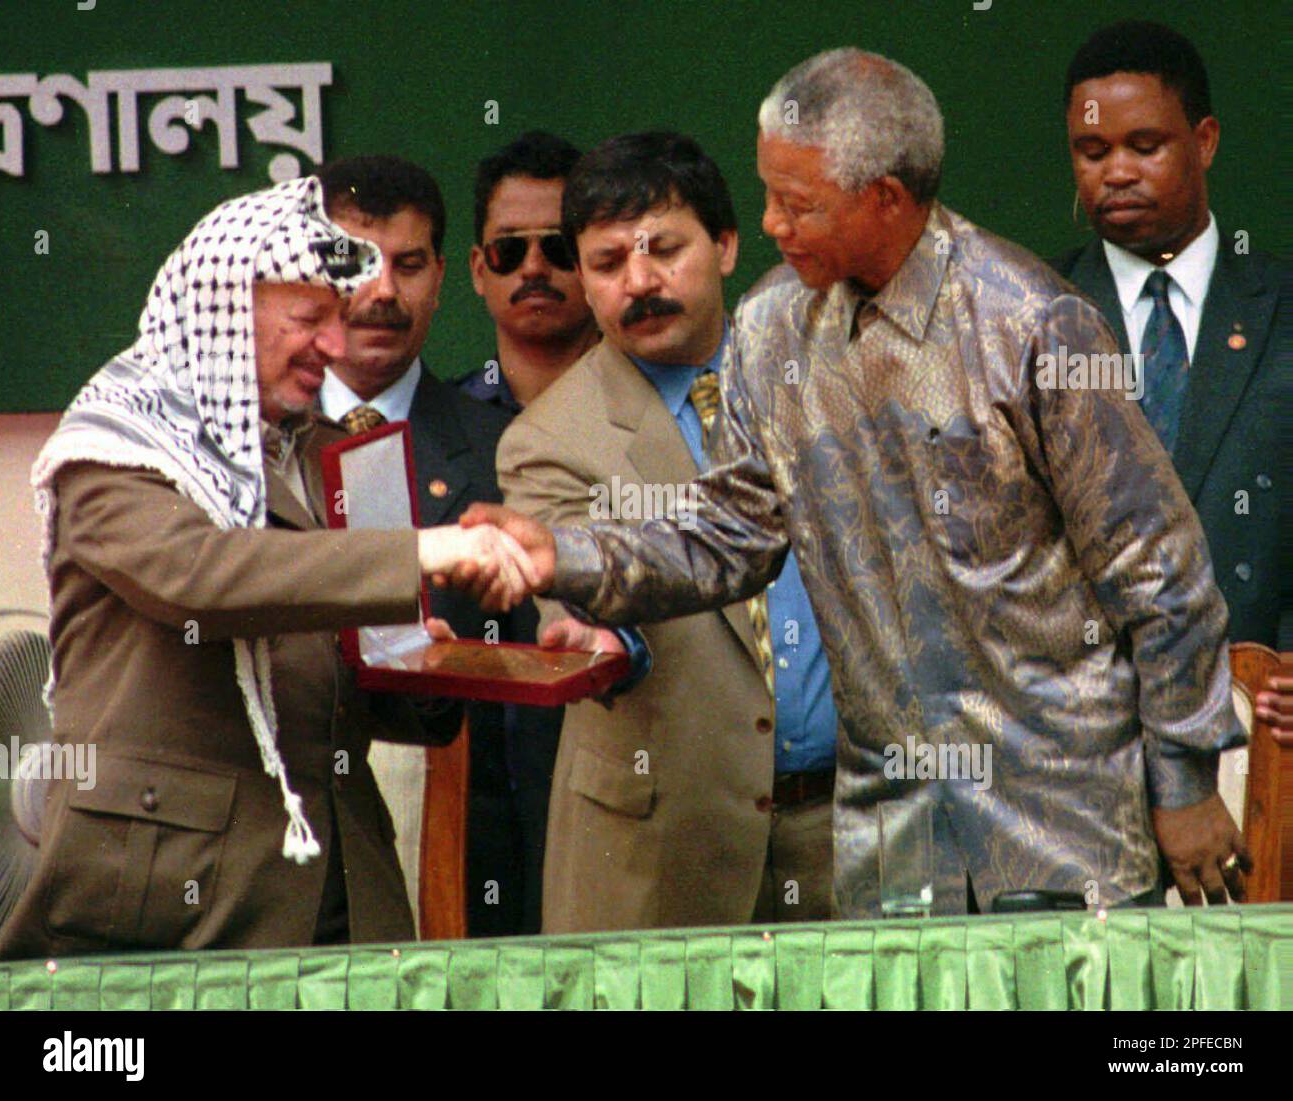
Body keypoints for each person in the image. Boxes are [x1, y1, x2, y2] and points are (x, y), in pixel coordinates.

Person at [459, 49, 1252, 915]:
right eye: (766, 194)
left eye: (798, 204)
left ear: (886, 198)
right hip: (888, 847)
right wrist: (562, 554)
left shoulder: (1033, 322)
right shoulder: (770, 331)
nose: (768, 223)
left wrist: (1184, 780)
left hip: (1059, 827)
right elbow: (727, 536)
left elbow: (1157, 565)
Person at [0, 178, 530, 960]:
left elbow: (341, 651)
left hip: (344, 878)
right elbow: (201, 578)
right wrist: (421, 550)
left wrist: (418, 661)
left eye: (338, 321)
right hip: (179, 894)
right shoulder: (114, 445)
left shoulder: (322, 448)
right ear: (222, 308)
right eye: (310, 319)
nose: (337, 347)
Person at [497, 132, 838, 932]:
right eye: (608, 263)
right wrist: (602, 638)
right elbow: (578, 585)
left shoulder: (822, 372)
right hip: (659, 855)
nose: (639, 282)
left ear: (724, 245)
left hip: (847, 830)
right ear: (581, 278)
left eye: (663, 250)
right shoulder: (549, 436)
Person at [316, 154, 561, 936]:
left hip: (469, 887)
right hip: (284, 872)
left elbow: (537, 730)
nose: (382, 291)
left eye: (409, 264)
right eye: (354, 262)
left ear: (446, 274)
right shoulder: (243, 451)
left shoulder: (511, 450)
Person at [1052, 20, 1290, 731]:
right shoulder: (1029, 316)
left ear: (1205, 141)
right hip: (1079, 745)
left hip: (1262, 733)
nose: (1115, 172)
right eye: (1091, 152)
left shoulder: (1284, 310)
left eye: (1144, 146)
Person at [457, 131, 599, 413]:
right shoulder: (440, 424)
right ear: (478, 269)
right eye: (509, 249)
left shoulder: (656, 405)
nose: (534, 268)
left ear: (595, 261)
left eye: (558, 246)